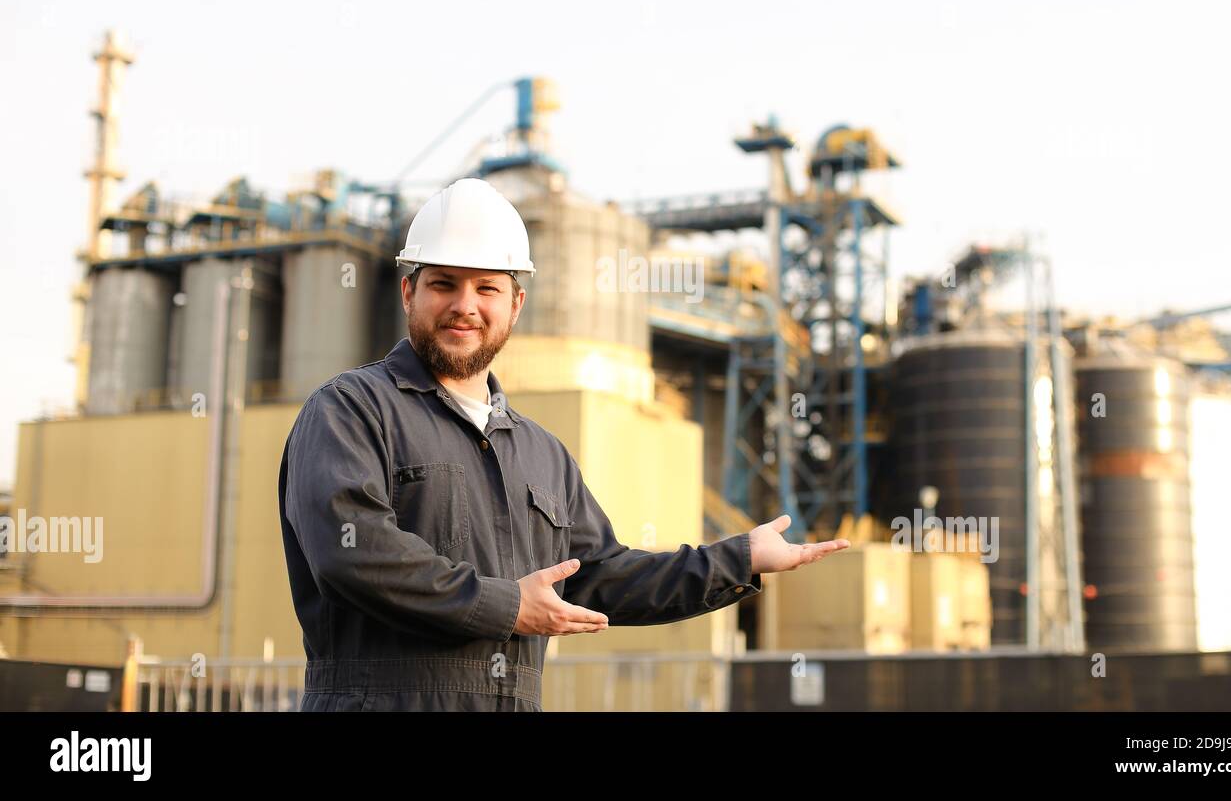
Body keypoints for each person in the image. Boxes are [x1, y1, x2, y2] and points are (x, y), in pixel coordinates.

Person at [278, 177, 850, 711]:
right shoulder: (350, 409)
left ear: (515, 305)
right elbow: (351, 553)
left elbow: (600, 576)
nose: (465, 306)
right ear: (408, 292)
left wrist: (737, 559)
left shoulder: (540, 454)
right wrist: (508, 606)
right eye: (443, 284)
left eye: (487, 288)